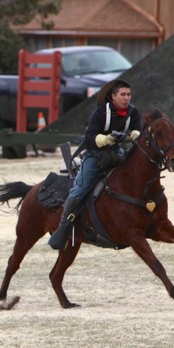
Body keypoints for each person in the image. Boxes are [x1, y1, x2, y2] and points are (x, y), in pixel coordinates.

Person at [48, 79, 142, 250]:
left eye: (128, 95)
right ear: (113, 97)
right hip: (95, 154)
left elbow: (137, 128)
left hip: (115, 153)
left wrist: (135, 134)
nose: (126, 98)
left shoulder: (133, 113)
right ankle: (63, 227)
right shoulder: (100, 113)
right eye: (123, 94)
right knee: (79, 189)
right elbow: (90, 137)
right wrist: (105, 139)